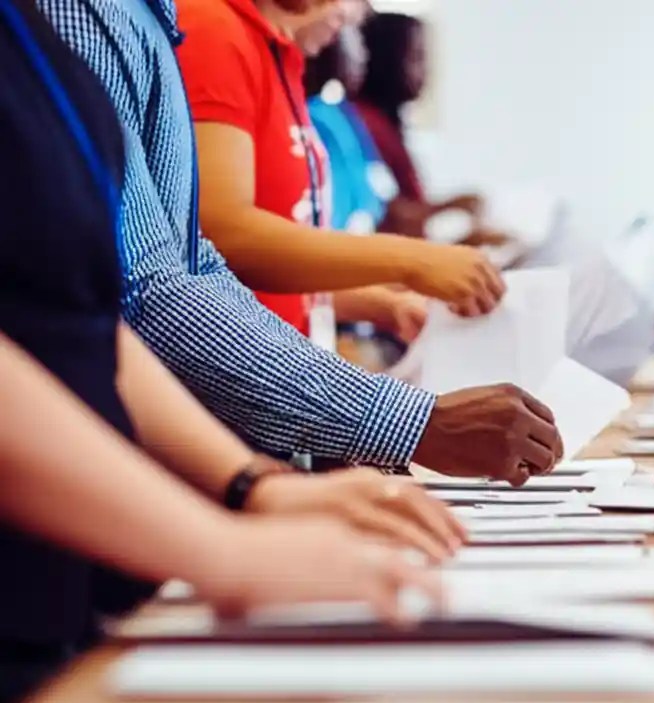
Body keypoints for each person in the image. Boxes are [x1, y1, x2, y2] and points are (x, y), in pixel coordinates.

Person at [0, 2, 436, 703]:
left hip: (67, 580)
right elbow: (149, 293)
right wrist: (221, 546)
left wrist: (253, 487)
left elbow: (102, 310)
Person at [35, 0, 562, 485]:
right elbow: (162, 281)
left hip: (248, 419)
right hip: (172, 435)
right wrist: (407, 418)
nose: (356, 14)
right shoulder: (201, 29)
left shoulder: (204, 31)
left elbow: (193, 260)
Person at [175, 0, 499, 351]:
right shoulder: (215, 30)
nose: (356, 16)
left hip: (292, 357)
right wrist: (413, 261)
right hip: (240, 369)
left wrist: (383, 305)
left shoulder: (278, 54)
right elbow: (222, 237)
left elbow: (279, 266)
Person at [355, 12, 503, 244]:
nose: (426, 72)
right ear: (386, 58)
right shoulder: (362, 124)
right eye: (416, 58)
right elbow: (387, 215)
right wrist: (450, 214)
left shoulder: (387, 122)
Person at [306, 22, 393, 235]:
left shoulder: (343, 113)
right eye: (354, 38)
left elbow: (378, 194)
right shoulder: (312, 116)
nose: (364, 55)